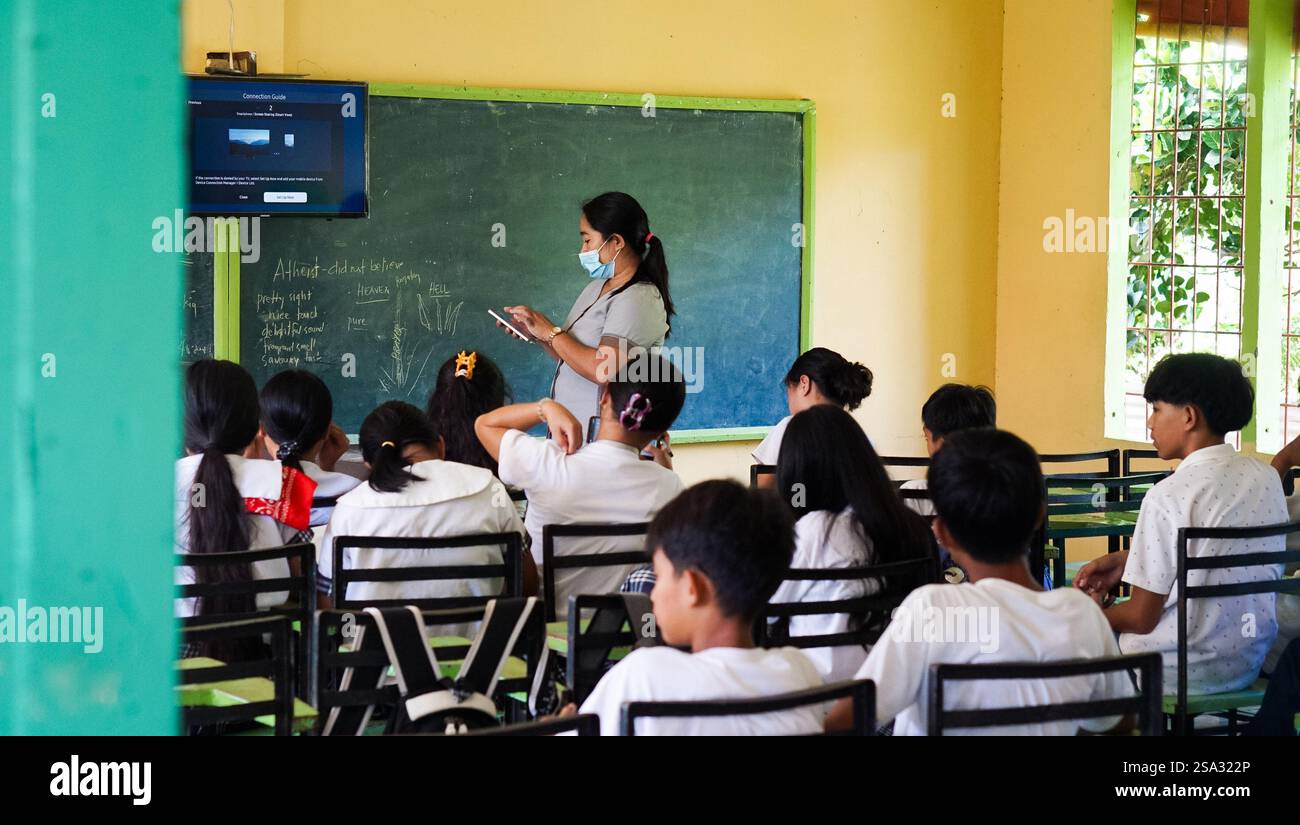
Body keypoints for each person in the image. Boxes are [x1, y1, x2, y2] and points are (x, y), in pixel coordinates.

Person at [825, 428, 1133, 735]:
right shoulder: (1082, 615)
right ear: (1040, 516)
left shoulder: (931, 609)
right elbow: (1118, 724)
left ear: (942, 533)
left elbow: (849, 719)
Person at [1075, 353, 1286, 695]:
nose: (1149, 423)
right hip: (1246, 664)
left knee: (1066, 645)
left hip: (1169, 672)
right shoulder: (1266, 479)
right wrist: (1130, 559)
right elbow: (1218, 548)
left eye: (1157, 409)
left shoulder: (1166, 495)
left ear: (1189, 416)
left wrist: (1089, 616)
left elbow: (1141, 618)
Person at [562, 480, 825, 735]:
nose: (652, 594)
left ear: (692, 587)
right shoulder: (800, 672)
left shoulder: (645, 675)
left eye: (659, 575)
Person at [495, 192, 673, 444]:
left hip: (602, 439)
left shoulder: (639, 298)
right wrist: (536, 332)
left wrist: (551, 332)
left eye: (588, 241)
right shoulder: (596, 287)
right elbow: (569, 355)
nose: (583, 250)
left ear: (616, 242)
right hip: (572, 433)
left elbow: (604, 368)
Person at [752, 347, 872, 487]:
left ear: (804, 384)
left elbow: (761, 490)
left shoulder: (791, 427)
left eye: (789, 392)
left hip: (800, 506)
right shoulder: (855, 432)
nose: (789, 403)